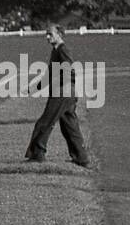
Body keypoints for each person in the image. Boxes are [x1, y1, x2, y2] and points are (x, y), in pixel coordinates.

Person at [25, 25, 90, 167]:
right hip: (69, 93)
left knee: (44, 123)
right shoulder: (56, 51)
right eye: (46, 34)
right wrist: (35, 88)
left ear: (60, 34)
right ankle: (82, 158)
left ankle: (37, 154)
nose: (47, 37)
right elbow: (49, 74)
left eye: (50, 34)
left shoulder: (63, 50)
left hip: (62, 92)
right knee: (69, 126)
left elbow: (67, 71)